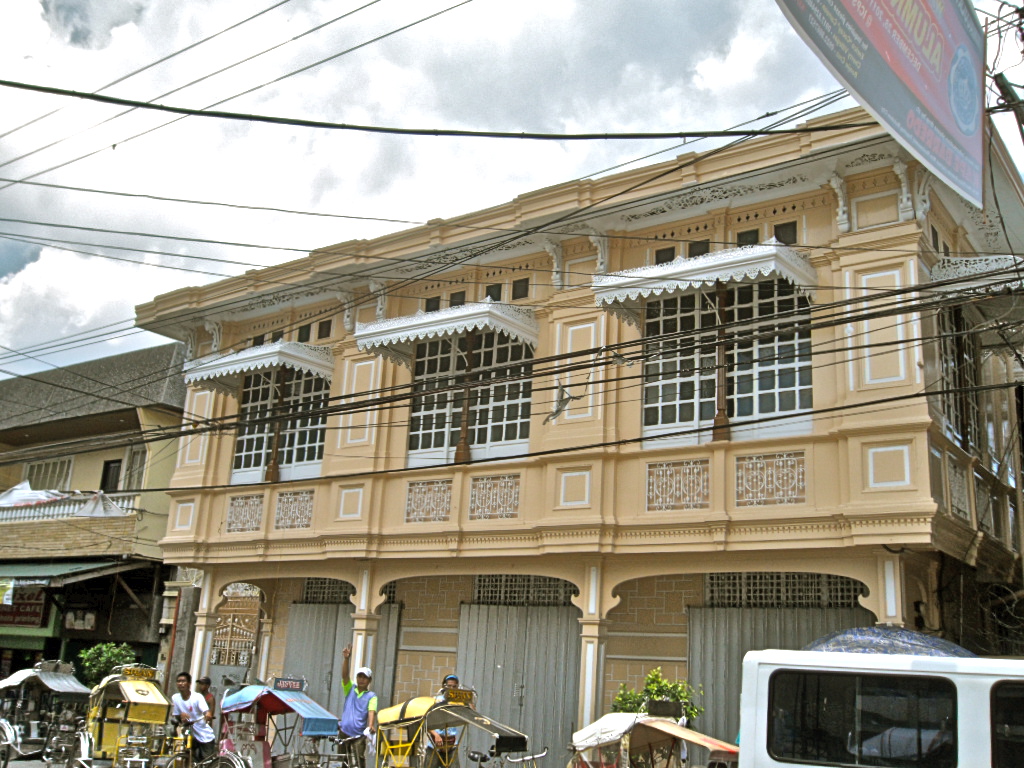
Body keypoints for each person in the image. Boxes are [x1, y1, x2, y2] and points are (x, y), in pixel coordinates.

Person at [338, 644, 377, 768]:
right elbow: (344, 676)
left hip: (359, 735)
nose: (361, 679)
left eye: (364, 677)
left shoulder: (371, 696)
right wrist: (346, 659)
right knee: (342, 760)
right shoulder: (350, 689)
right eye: (359, 676)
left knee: (359, 761)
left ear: (369, 680)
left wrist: (370, 725)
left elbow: (371, 711)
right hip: (344, 732)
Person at [171, 671, 217, 764]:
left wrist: (208, 714)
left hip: (204, 734)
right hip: (189, 731)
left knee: (207, 762)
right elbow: (176, 715)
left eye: (183, 681)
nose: (180, 683)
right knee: (189, 756)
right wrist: (181, 716)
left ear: (189, 684)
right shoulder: (175, 698)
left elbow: (206, 711)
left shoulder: (197, 697)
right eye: (178, 681)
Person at [426, 674, 461, 768]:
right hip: (435, 743)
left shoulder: (458, 702)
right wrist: (435, 735)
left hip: (451, 743)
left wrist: (468, 699)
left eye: (454, 686)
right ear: (443, 687)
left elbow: (472, 714)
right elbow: (425, 721)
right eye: (449, 686)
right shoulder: (436, 701)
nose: (451, 689)